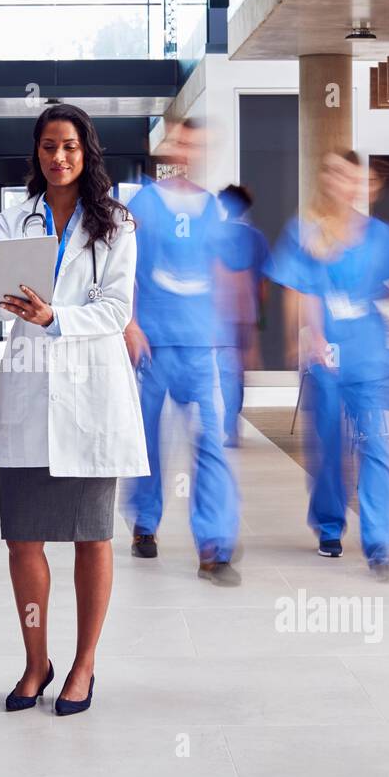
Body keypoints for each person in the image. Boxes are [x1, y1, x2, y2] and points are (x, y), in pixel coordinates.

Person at [0, 103, 147, 717]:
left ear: (87, 152)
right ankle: (36, 663)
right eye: (49, 146)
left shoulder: (116, 223)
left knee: (91, 537)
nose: (59, 157)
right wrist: (5, 302)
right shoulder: (12, 217)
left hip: (90, 396)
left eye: (70, 147)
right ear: (37, 151)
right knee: (23, 538)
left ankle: (83, 665)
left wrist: (56, 318)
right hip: (29, 393)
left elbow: (115, 308)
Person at [266, 150, 389, 581]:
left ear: (364, 183)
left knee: (375, 442)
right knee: (328, 446)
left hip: (368, 354)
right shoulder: (305, 231)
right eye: (330, 172)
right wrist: (310, 336)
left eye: (349, 174)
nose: (339, 181)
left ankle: (381, 541)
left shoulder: (381, 235)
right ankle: (329, 525)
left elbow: (388, 285)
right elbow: (303, 289)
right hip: (326, 356)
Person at [122, 118, 248, 587]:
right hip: (154, 343)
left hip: (202, 346)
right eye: (183, 142)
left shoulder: (214, 209)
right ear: (169, 148)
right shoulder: (144, 205)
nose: (189, 151)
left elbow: (223, 273)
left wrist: (229, 339)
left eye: (199, 144)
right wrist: (130, 325)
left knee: (210, 442)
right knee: (149, 442)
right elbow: (125, 270)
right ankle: (144, 522)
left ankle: (213, 544)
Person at [214, 184, 270, 447]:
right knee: (237, 371)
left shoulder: (213, 235)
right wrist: (261, 318)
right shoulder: (257, 237)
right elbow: (262, 284)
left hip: (221, 311)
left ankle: (231, 428)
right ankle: (232, 423)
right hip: (246, 311)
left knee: (228, 369)